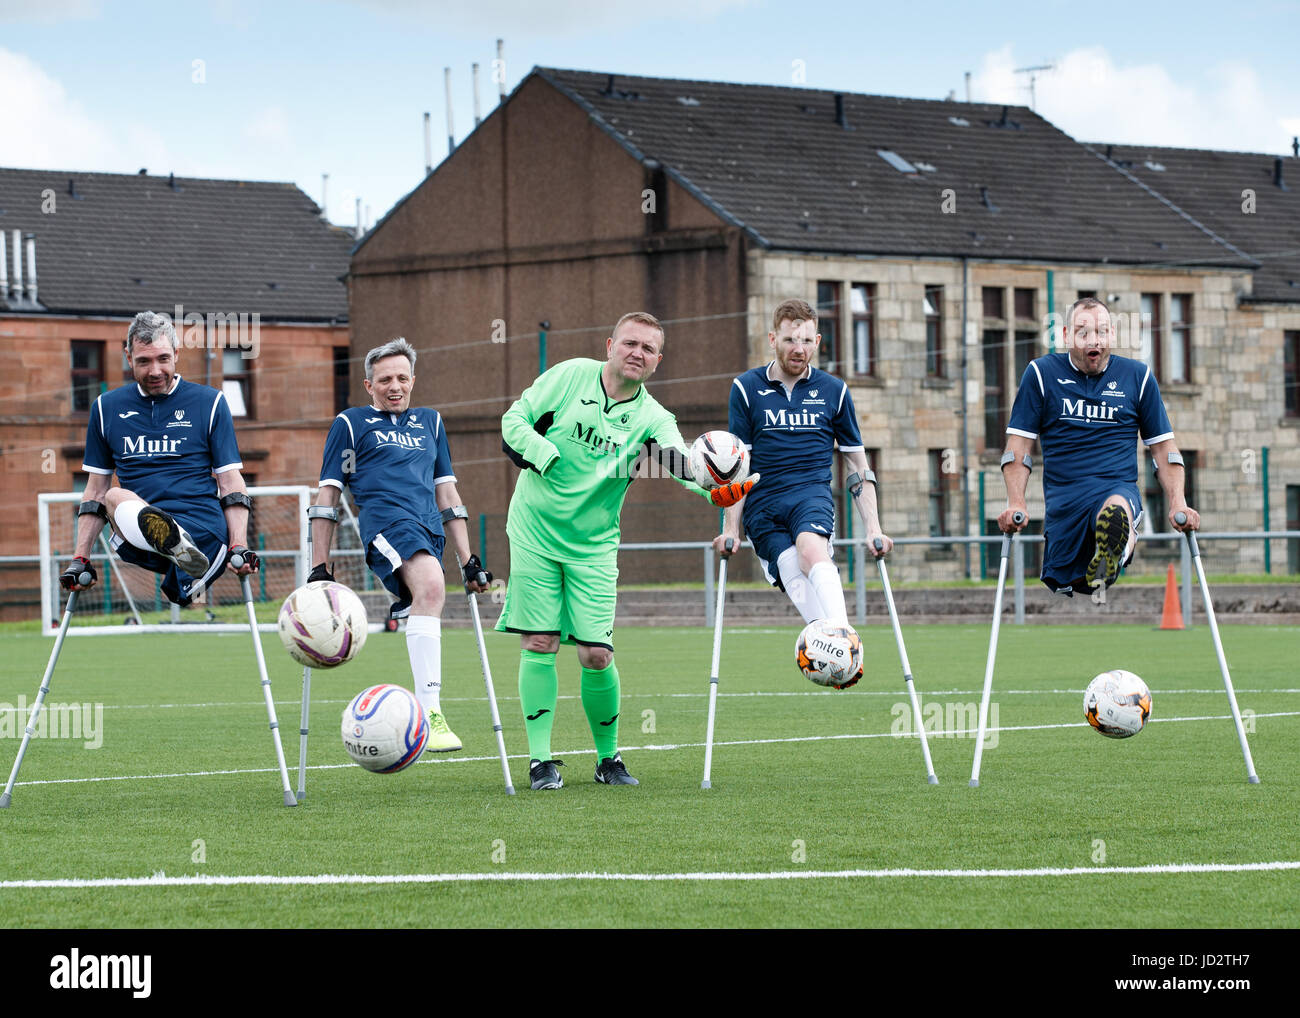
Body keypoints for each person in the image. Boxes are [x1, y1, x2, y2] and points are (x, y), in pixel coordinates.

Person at [498, 311, 754, 790]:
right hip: (534, 531)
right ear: (610, 345)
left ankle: (608, 760)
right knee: (539, 642)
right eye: (630, 343)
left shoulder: (654, 418)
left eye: (648, 349)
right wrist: (541, 452)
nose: (637, 353)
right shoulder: (569, 376)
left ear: (658, 361)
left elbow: (681, 463)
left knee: (596, 654)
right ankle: (540, 762)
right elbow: (515, 420)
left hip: (594, 546)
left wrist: (717, 490)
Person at [310, 338, 490, 753]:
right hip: (386, 524)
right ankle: (430, 713)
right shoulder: (351, 424)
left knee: (431, 590)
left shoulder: (431, 422)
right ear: (369, 385)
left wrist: (469, 559)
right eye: (385, 379)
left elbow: (447, 492)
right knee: (431, 586)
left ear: (413, 380)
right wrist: (319, 567)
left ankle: (423, 692)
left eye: (402, 378)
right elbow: (328, 495)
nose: (395, 386)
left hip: (429, 529)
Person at [713, 299, 891, 681]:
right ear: (773, 339)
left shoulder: (834, 391)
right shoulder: (746, 388)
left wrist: (874, 528)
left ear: (818, 342)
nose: (799, 349)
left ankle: (844, 642)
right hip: (762, 502)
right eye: (791, 340)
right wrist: (730, 529)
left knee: (811, 550)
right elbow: (738, 465)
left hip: (810, 493)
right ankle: (836, 654)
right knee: (790, 566)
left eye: (807, 341)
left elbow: (859, 466)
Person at [997, 296, 1199, 603]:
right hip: (1066, 498)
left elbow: (1163, 450)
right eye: (1084, 332)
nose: (1094, 340)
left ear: (1112, 335)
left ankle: (1113, 554)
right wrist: (1016, 502)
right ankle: (1103, 559)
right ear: (1066, 335)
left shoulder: (1138, 377)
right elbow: (1019, 447)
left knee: (1117, 510)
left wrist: (1178, 503)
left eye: (1102, 331)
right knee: (1071, 573)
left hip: (1115, 486)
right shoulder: (1041, 374)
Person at [61, 310, 259, 604]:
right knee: (113, 495)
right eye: (144, 361)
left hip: (202, 531)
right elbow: (95, 491)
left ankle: (179, 541)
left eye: (163, 359)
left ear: (176, 354)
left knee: (185, 593)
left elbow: (230, 482)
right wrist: (80, 559)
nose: (155, 371)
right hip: (140, 540)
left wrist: (239, 544)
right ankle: (168, 538)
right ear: (128, 358)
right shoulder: (105, 408)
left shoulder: (210, 403)